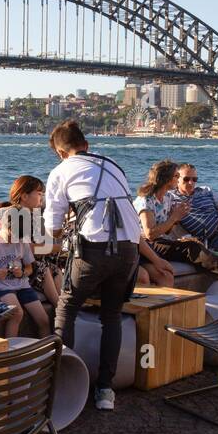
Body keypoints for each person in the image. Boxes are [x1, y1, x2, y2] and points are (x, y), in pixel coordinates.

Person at [43, 120, 141, 411]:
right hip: (129, 248)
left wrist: (62, 230)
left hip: (94, 249)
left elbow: (52, 227)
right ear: (85, 144)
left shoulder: (60, 171)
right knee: (112, 315)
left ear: (61, 152)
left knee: (67, 308)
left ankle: (60, 387)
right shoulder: (112, 163)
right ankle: (105, 391)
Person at [137, 159, 218, 285]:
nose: (178, 180)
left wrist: (176, 219)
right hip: (146, 245)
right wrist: (174, 218)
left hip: (162, 242)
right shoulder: (146, 201)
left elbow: (168, 228)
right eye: (177, 176)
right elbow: (150, 234)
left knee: (194, 248)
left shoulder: (168, 198)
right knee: (192, 249)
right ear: (167, 179)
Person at [0, 175, 64, 306]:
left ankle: (64, 308)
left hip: (23, 262)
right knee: (44, 269)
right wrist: (60, 248)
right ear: (24, 196)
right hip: (5, 265)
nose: (41, 198)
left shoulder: (34, 214)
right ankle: (59, 309)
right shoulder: (12, 215)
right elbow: (30, 248)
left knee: (56, 269)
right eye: (39, 194)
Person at [0, 207, 51, 339]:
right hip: (1, 287)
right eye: (10, 236)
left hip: (22, 285)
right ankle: (11, 351)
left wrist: (21, 273)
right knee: (17, 313)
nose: (13, 240)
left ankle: (47, 352)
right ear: (0, 224)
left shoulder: (22, 242)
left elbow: (29, 268)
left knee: (43, 319)